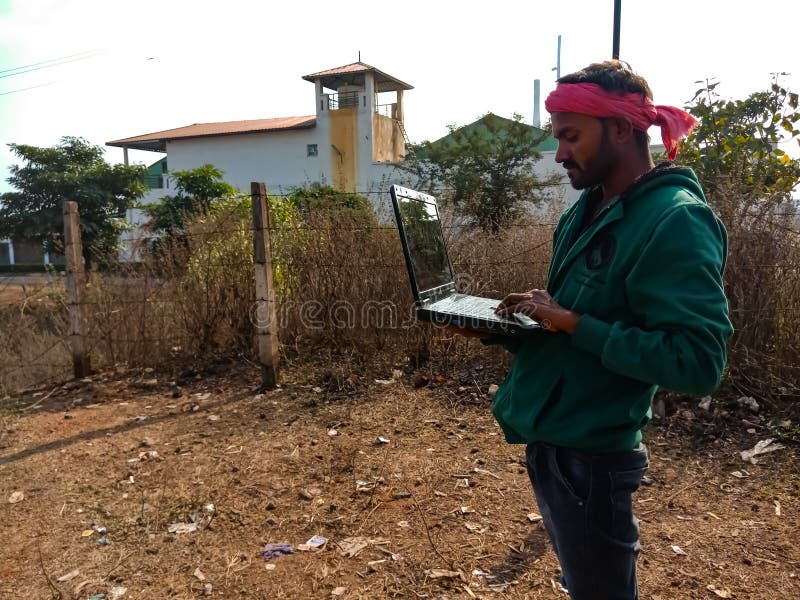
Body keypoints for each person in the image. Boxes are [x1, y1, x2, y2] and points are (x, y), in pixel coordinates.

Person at [451, 61, 733, 599]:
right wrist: (507, 327)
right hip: (554, 444)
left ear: (623, 129)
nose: (559, 155)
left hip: (593, 460)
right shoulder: (588, 209)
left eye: (571, 137)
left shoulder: (675, 219)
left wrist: (574, 322)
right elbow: (574, 320)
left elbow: (698, 362)